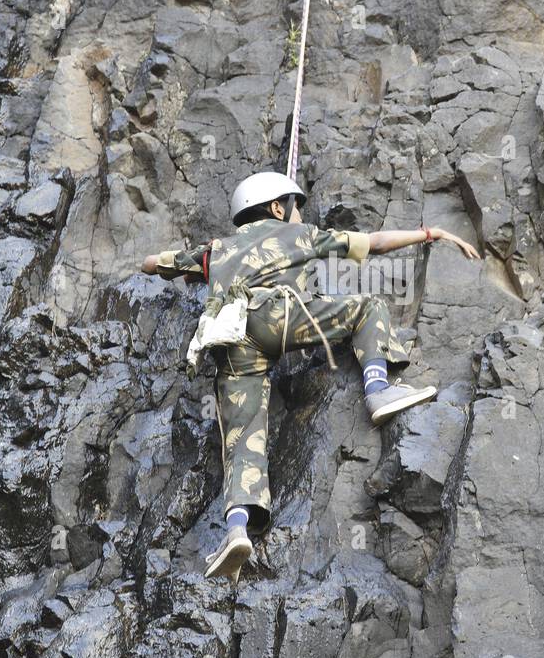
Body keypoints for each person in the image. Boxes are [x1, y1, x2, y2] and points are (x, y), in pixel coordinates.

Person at [141, 172, 479, 583]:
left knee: (242, 437)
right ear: (278, 208)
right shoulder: (299, 235)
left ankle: (235, 531)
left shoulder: (216, 249)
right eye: (294, 206)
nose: (299, 213)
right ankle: (377, 389)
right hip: (281, 318)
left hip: (230, 337)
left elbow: (151, 264)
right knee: (366, 307)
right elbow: (373, 243)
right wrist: (430, 232)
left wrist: (203, 266)